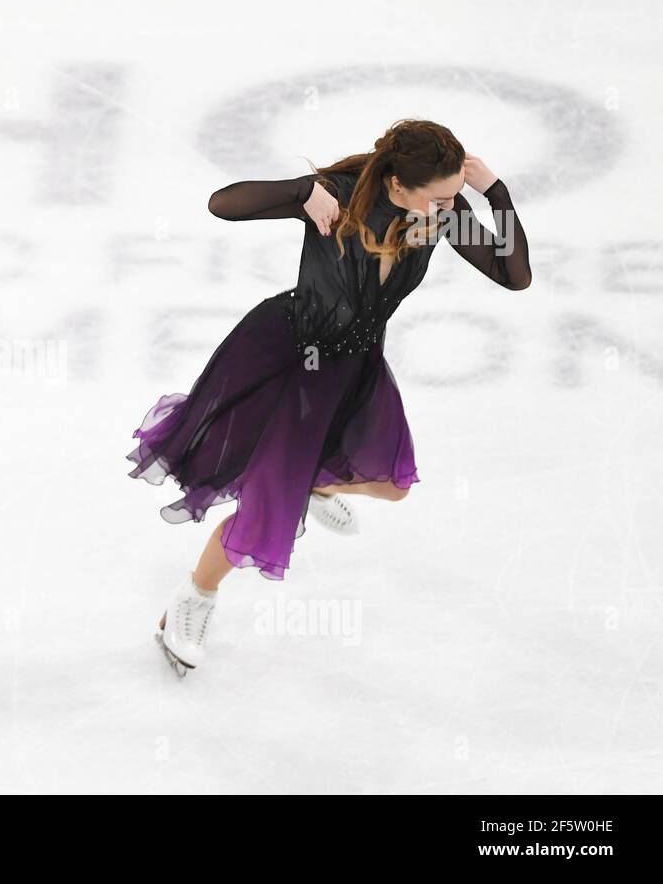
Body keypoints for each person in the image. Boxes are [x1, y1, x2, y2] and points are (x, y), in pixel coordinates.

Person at [126, 118, 532, 675]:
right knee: (265, 514)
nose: (448, 209)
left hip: (355, 367)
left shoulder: (443, 214)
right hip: (290, 362)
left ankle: (312, 480)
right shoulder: (339, 201)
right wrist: (300, 192)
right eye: (439, 198)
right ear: (397, 187)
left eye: (454, 196)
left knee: (393, 487)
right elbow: (223, 204)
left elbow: (514, 275)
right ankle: (192, 600)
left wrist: (495, 194)